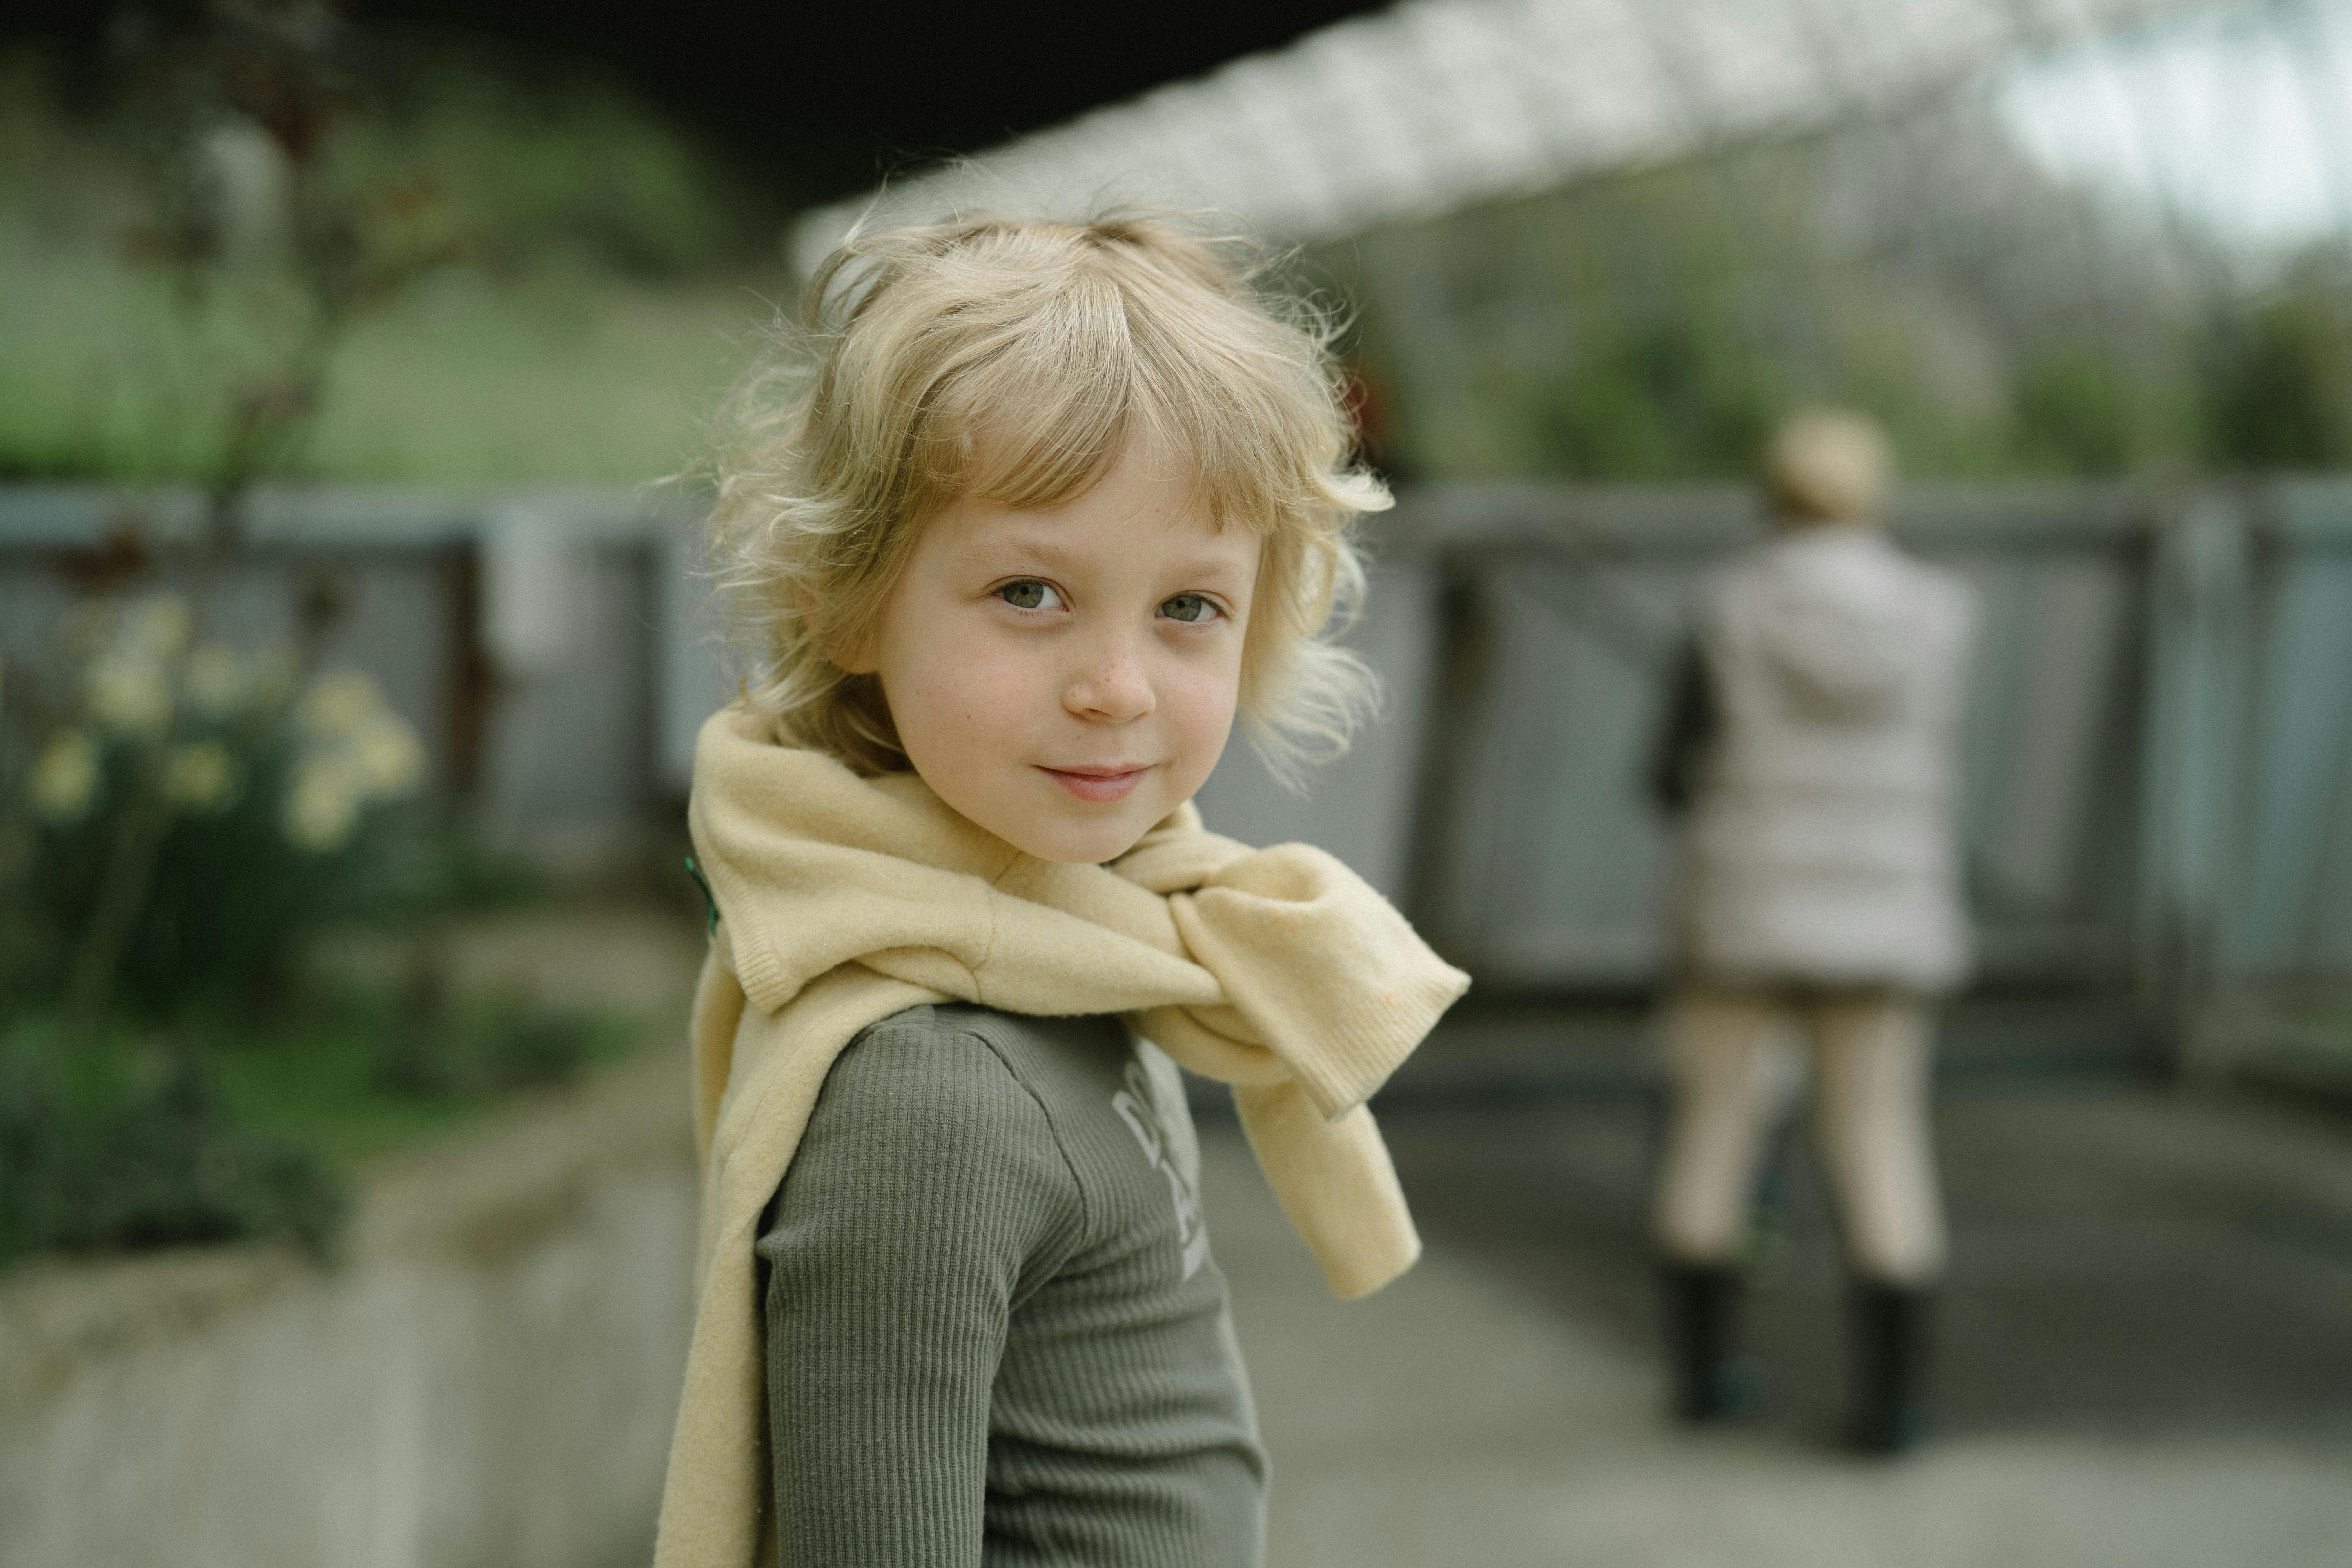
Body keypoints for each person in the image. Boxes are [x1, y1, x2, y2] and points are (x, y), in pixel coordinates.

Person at [653, 216, 1470, 1568]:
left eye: (1189, 608)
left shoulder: (1075, 939)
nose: (1119, 686)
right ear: (844, 598)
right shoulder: (934, 1098)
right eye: (1030, 591)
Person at [1646, 408, 1976, 1454]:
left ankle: (1705, 1383)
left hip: (1748, 912)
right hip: (1883, 921)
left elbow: (1668, 771)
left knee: (1716, 1131)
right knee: (1879, 1140)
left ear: (1772, 493)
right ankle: (1894, 1409)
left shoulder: (1727, 607)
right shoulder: (1938, 612)